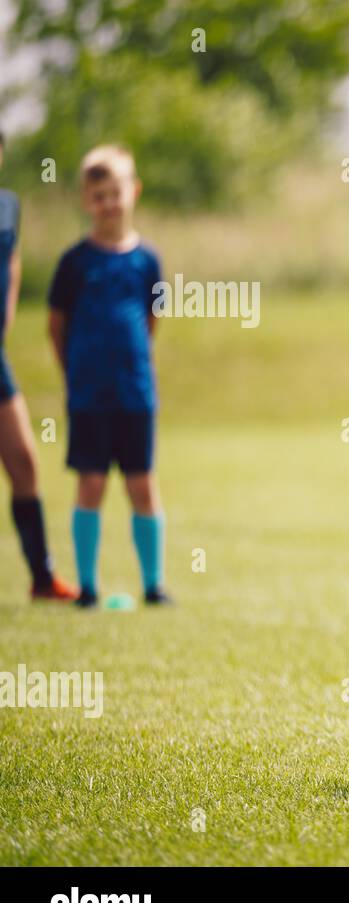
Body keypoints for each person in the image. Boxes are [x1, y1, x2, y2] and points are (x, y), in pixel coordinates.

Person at [48, 145, 170, 608]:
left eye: (115, 192)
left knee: (141, 484)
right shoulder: (74, 262)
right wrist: (74, 374)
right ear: (86, 201)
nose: (108, 203)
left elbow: (153, 319)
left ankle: (155, 584)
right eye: (98, 196)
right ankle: (88, 587)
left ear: (132, 192)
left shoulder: (147, 261)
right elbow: (56, 326)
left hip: (135, 393)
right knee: (91, 483)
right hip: (89, 397)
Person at [0, 129, 77, 601]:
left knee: (25, 461)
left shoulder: (9, 204)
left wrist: (8, 308)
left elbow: (12, 258)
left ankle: (42, 578)